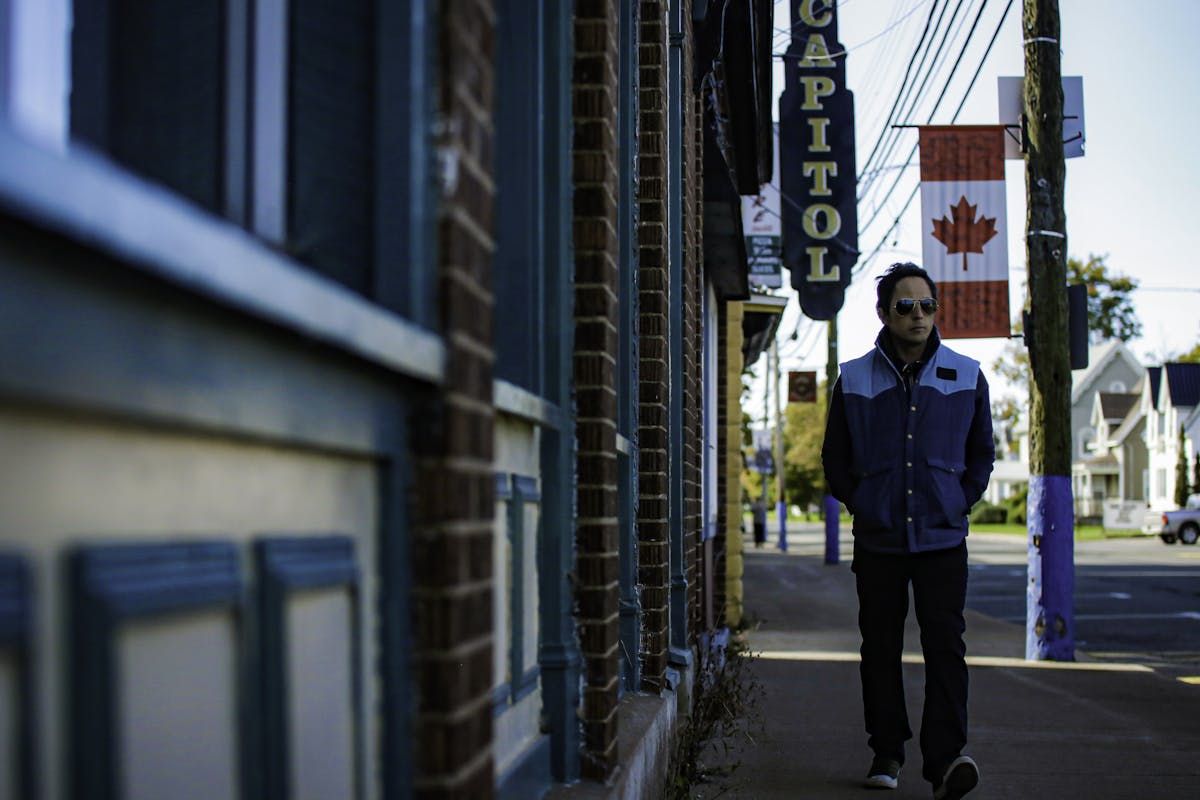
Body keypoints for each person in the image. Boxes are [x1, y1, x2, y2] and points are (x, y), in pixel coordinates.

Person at [821, 263, 994, 799]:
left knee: (947, 648)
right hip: (880, 541)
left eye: (926, 305)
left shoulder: (967, 374)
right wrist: (867, 505)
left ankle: (946, 761)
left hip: (943, 541)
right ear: (883, 314)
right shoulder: (854, 378)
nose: (917, 315)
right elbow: (835, 460)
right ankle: (887, 751)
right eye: (905, 306)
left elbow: (981, 456)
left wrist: (956, 502)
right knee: (880, 648)